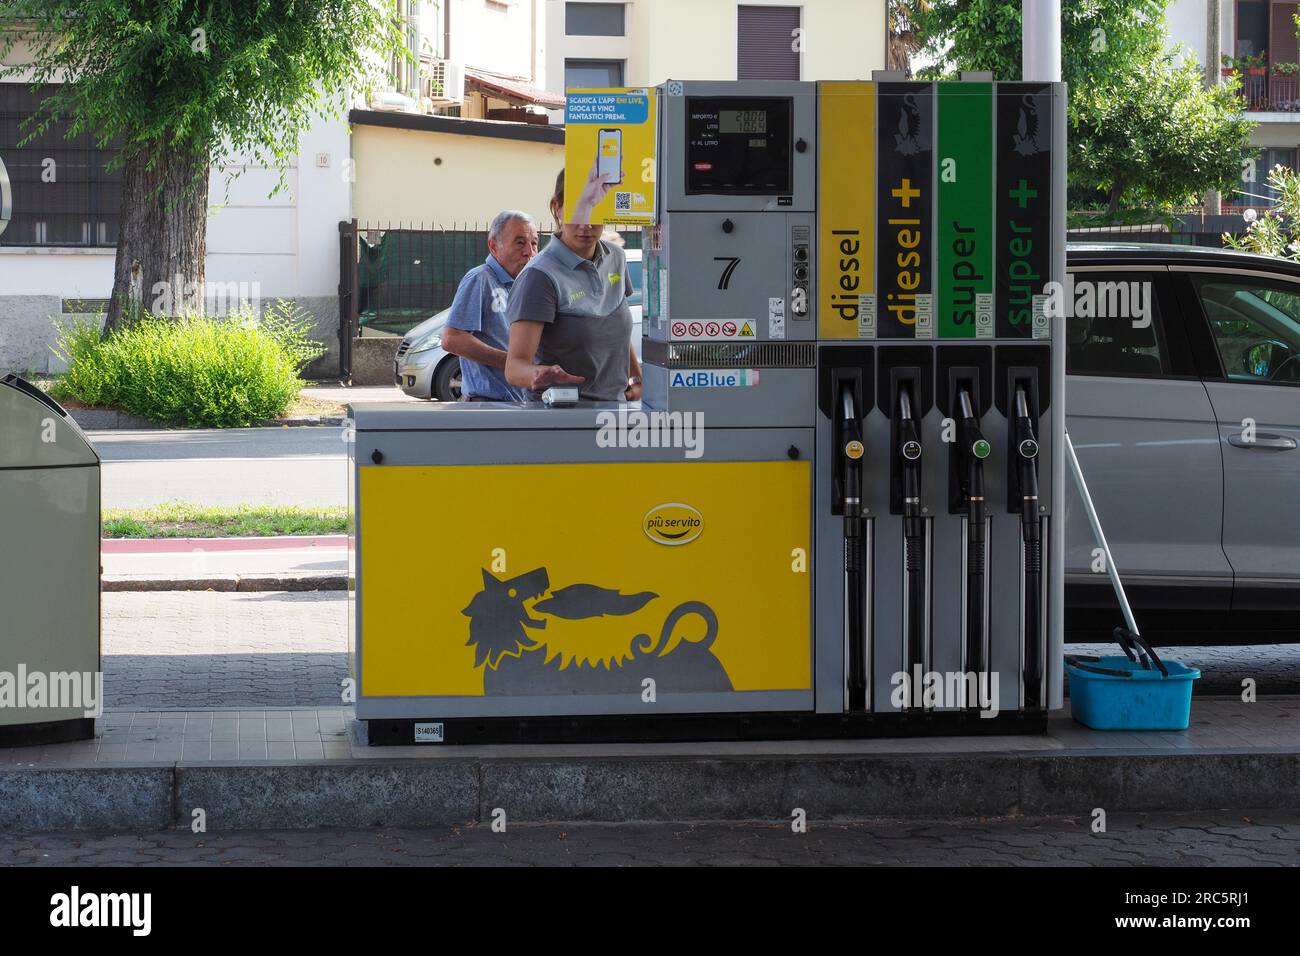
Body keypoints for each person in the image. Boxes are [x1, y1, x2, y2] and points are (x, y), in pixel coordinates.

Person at [504, 168, 641, 402]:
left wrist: (636, 380)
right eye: (578, 210)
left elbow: (619, 329)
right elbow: (514, 368)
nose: (586, 225)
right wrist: (537, 374)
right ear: (556, 208)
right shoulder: (539, 276)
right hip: (562, 420)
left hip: (614, 415)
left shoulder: (616, 258)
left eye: (595, 209)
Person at [441, 210, 539, 401]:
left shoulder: (526, 284)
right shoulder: (480, 278)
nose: (530, 251)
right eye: (520, 243)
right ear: (494, 246)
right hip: (489, 405)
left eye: (534, 243)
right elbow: (452, 339)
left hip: (522, 403)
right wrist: (512, 363)